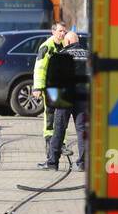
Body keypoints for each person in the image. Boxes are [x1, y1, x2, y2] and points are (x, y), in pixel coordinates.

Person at [33, 24, 88, 171]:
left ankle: (52, 163)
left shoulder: (61, 55)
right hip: (83, 98)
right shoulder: (88, 55)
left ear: (68, 42)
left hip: (64, 97)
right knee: (82, 130)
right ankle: (83, 163)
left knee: (59, 129)